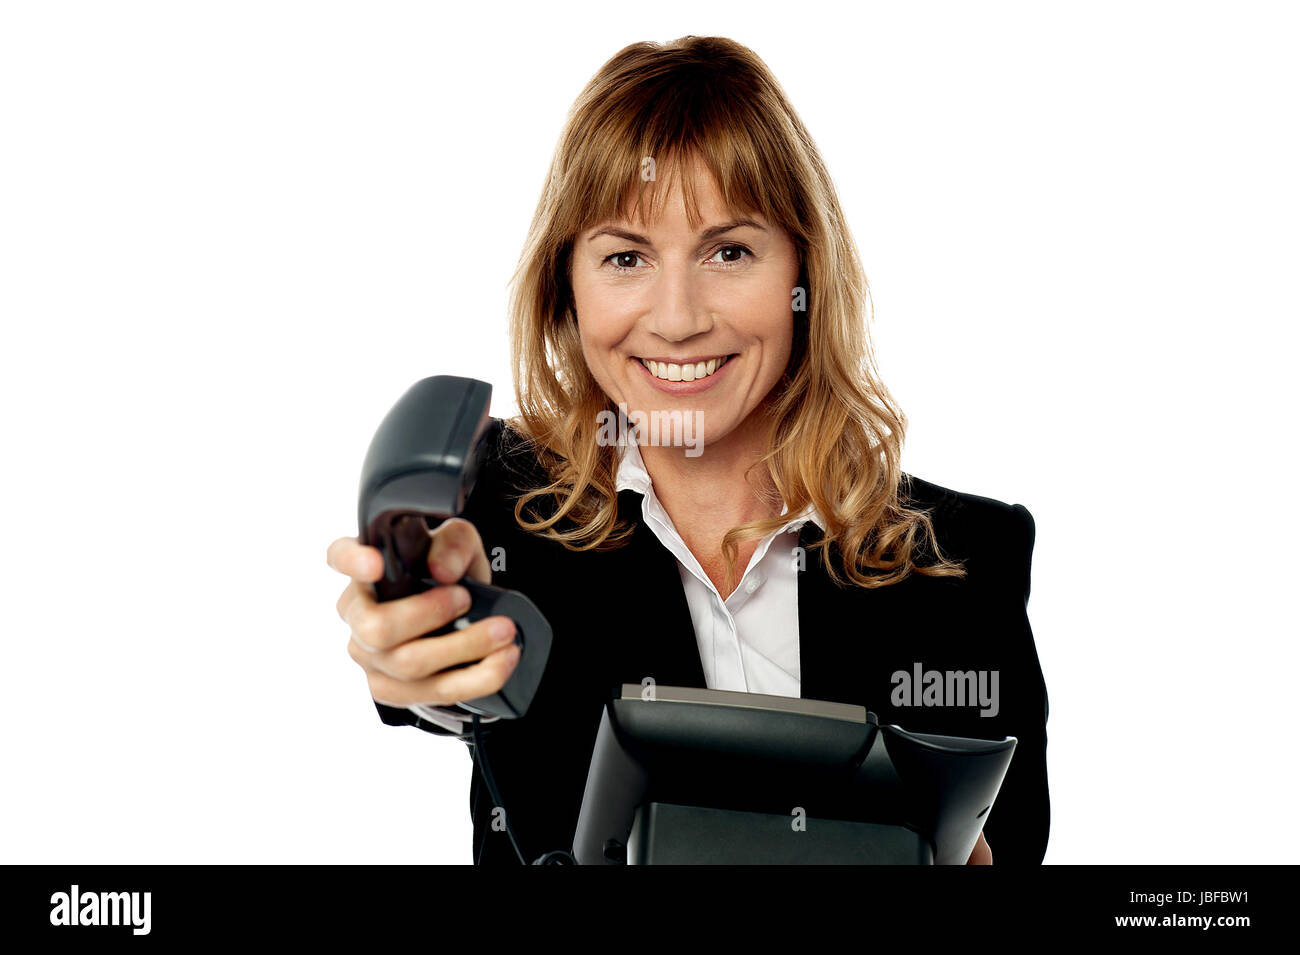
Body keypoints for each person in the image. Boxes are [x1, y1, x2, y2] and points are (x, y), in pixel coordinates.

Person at [327, 36, 1048, 865]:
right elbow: (444, 673)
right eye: (625, 257)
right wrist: (424, 639)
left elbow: (1014, 844)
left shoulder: (971, 558)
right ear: (566, 285)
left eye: (729, 252)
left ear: (801, 273)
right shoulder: (499, 515)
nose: (677, 318)